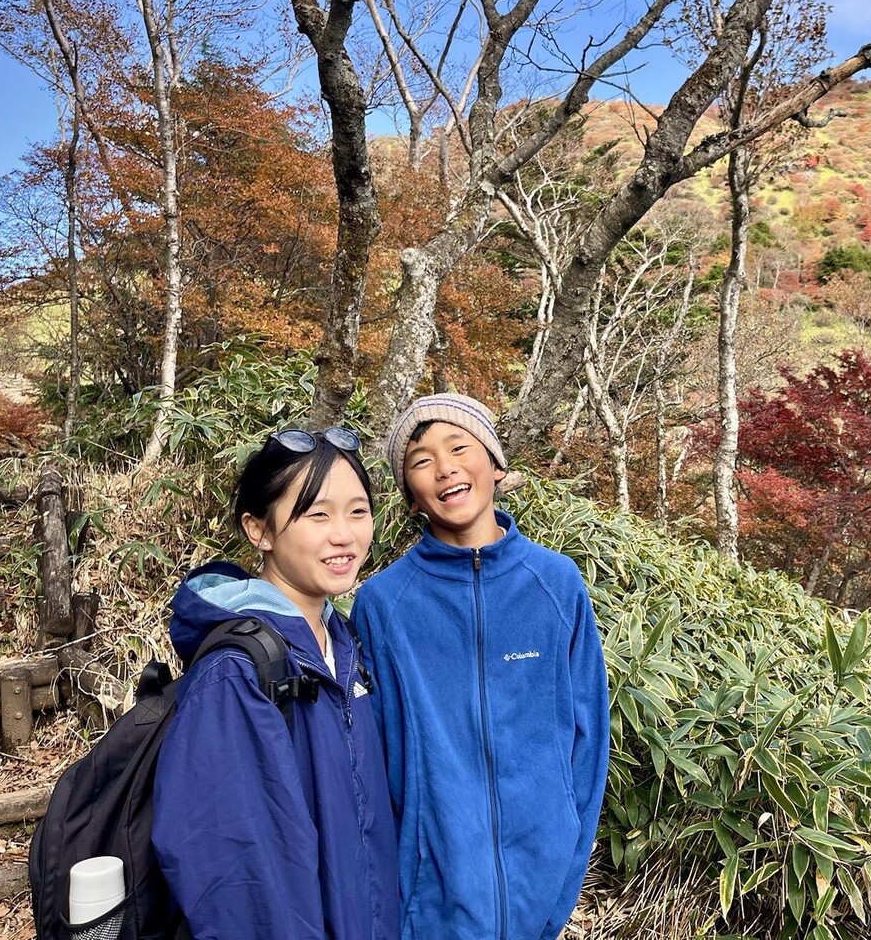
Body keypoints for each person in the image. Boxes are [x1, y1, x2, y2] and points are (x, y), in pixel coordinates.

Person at [352, 393, 610, 940]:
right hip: (430, 892)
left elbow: (589, 740)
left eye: (459, 447)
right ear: (412, 496)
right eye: (421, 460)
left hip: (542, 878)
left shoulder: (556, 583)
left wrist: (566, 855)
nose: (444, 468)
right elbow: (373, 753)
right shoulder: (384, 604)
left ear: (494, 464)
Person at [151, 427, 401, 940]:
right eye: (317, 514)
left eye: (358, 511)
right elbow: (236, 873)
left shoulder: (343, 643)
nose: (345, 535)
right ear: (258, 530)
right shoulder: (238, 671)